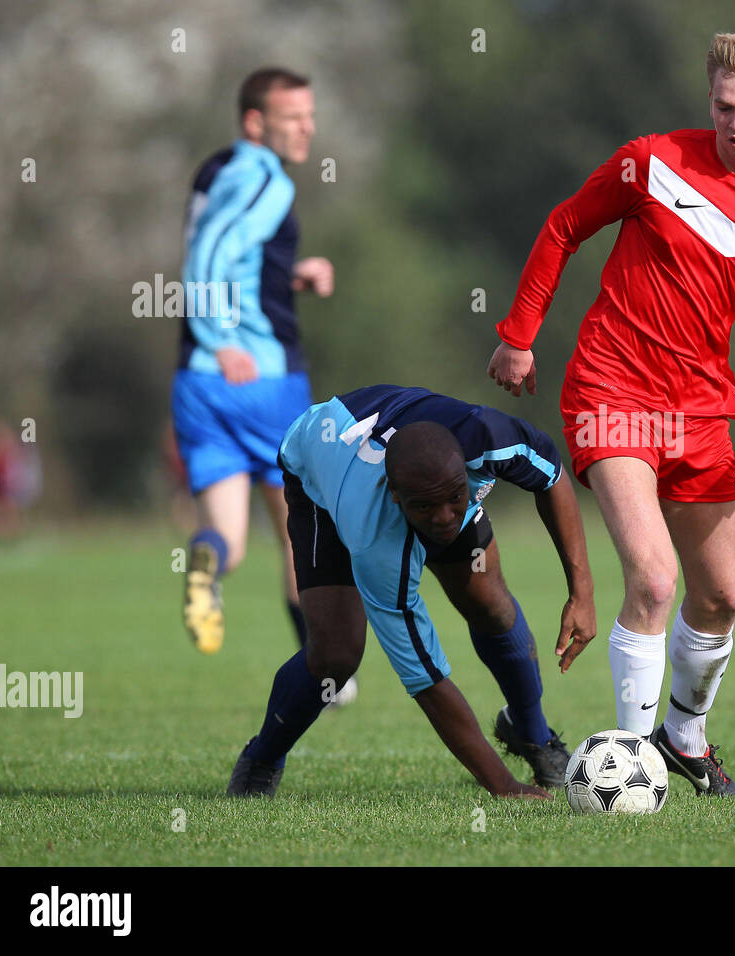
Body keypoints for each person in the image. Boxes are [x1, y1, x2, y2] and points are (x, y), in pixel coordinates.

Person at [487, 29, 735, 796]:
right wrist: (518, 336)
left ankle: (683, 740)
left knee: (724, 594)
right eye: (724, 106)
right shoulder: (651, 160)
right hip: (611, 388)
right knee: (655, 580)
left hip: (698, 408)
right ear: (710, 101)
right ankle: (629, 762)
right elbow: (566, 225)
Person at [226, 385, 597, 797]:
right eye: (425, 507)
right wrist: (503, 785)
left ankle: (534, 736)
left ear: (465, 470)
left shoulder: (489, 438)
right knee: (336, 654)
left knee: (490, 604)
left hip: (399, 439)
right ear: (396, 495)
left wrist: (581, 593)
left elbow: (551, 477)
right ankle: (263, 756)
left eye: (457, 498)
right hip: (318, 470)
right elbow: (426, 678)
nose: (444, 519)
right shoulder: (375, 538)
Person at [172, 67, 338, 673]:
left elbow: (238, 261)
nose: (307, 129)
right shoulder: (263, 176)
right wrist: (223, 339)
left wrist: (293, 274)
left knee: (229, 539)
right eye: (293, 118)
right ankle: (325, 668)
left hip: (198, 383)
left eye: (309, 115)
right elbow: (209, 253)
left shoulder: (215, 172)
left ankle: (206, 565)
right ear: (254, 122)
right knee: (303, 534)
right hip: (261, 379)